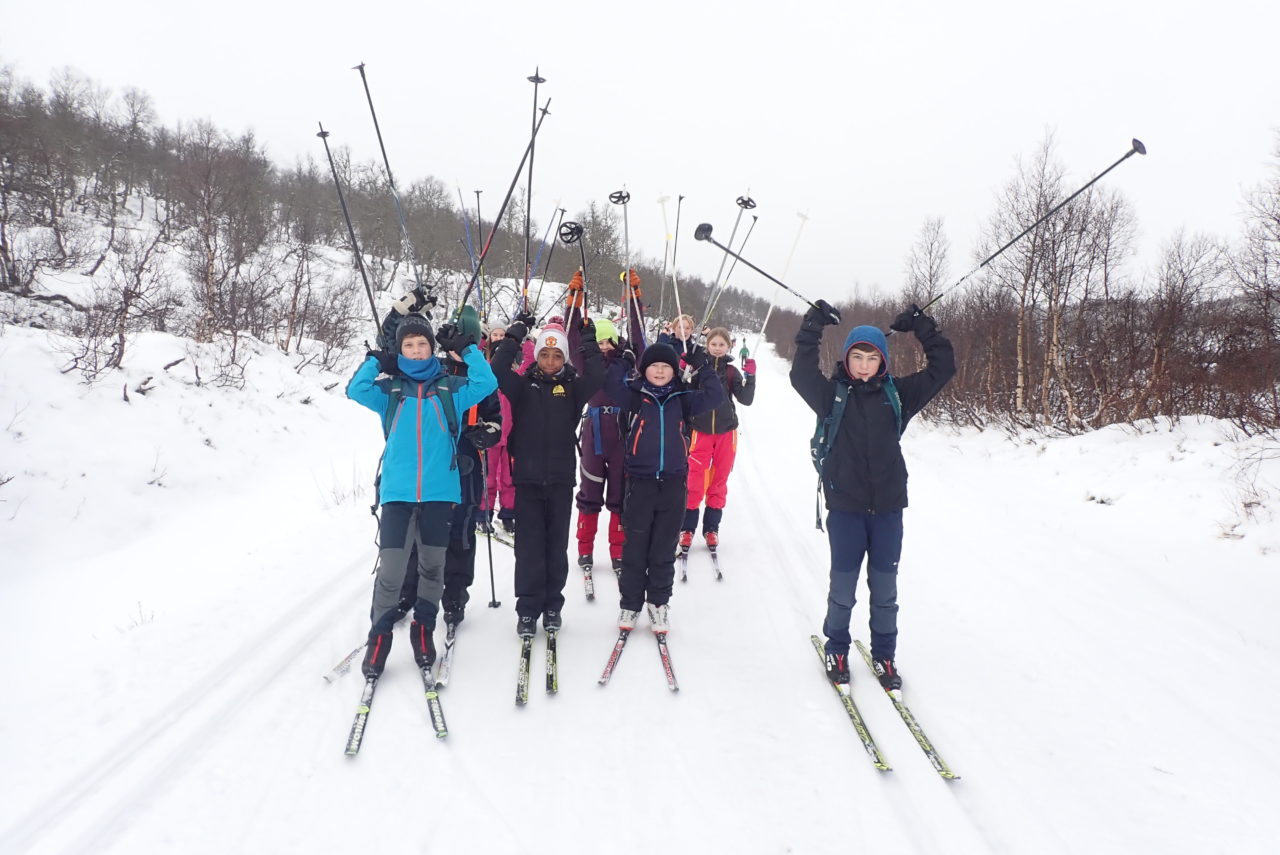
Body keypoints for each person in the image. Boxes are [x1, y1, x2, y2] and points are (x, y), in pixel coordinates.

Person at [789, 300, 955, 691]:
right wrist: (813, 326)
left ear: (883, 362)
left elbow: (943, 367)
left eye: (872, 358)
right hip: (845, 509)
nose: (864, 365)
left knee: (885, 592)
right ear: (846, 359)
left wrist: (921, 326)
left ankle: (884, 654)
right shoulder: (830, 395)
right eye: (857, 357)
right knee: (843, 589)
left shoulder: (900, 394)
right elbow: (800, 374)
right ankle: (837, 646)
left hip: (888, 510)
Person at [346, 313, 498, 678]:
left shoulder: (450, 388)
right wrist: (375, 361)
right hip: (397, 494)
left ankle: (423, 630)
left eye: (422, 344)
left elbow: (486, 381)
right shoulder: (390, 391)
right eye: (408, 346)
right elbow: (354, 390)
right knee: (392, 571)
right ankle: (379, 637)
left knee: (433, 567)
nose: (415, 351)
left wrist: (465, 350)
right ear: (400, 350)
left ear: (432, 348)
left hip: (440, 494)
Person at [492, 311, 605, 637]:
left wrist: (588, 340)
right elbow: (498, 369)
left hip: (559, 482)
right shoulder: (522, 386)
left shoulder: (572, 389)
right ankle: (527, 610)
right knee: (528, 550)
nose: (551, 360)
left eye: (557, 355)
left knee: (555, 549)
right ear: (537, 355)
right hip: (526, 482)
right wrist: (515, 335)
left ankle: (552, 606)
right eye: (545, 354)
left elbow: (597, 376)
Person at [607, 341, 724, 634]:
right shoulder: (635, 396)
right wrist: (625, 359)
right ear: (644, 370)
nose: (659, 371)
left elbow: (715, 394)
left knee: (662, 549)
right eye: (654, 366)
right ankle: (630, 605)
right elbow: (610, 385)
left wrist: (703, 364)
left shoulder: (683, 397)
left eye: (665, 367)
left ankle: (659, 604)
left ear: (674, 371)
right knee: (634, 548)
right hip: (639, 483)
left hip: (673, 483)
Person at [568, 269, 647, 580]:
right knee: (589, 491)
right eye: (598, 341)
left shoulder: (627, 362)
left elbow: (640, 339)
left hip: (623, 431)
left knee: (619, 494)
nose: (602, 346)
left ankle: (618, 550)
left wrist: (635, 300)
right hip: (594, 431)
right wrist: (575, 301)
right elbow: (573, 336)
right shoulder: (586, 364)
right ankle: (585, 548)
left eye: (607, 340)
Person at [681, 327, 756, 549]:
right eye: (713, 344)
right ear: (707, 345)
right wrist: (684, 370)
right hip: (700, 431)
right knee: (695, 481)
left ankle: (711, 529)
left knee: (719, 481)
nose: (716, 348)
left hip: (726, 433)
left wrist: (751, 377)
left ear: (728, 347)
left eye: (721, 345)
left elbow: (746, 399)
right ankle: (687, 528)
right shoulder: (698, 369)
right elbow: (684, 392)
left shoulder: (732, 372)